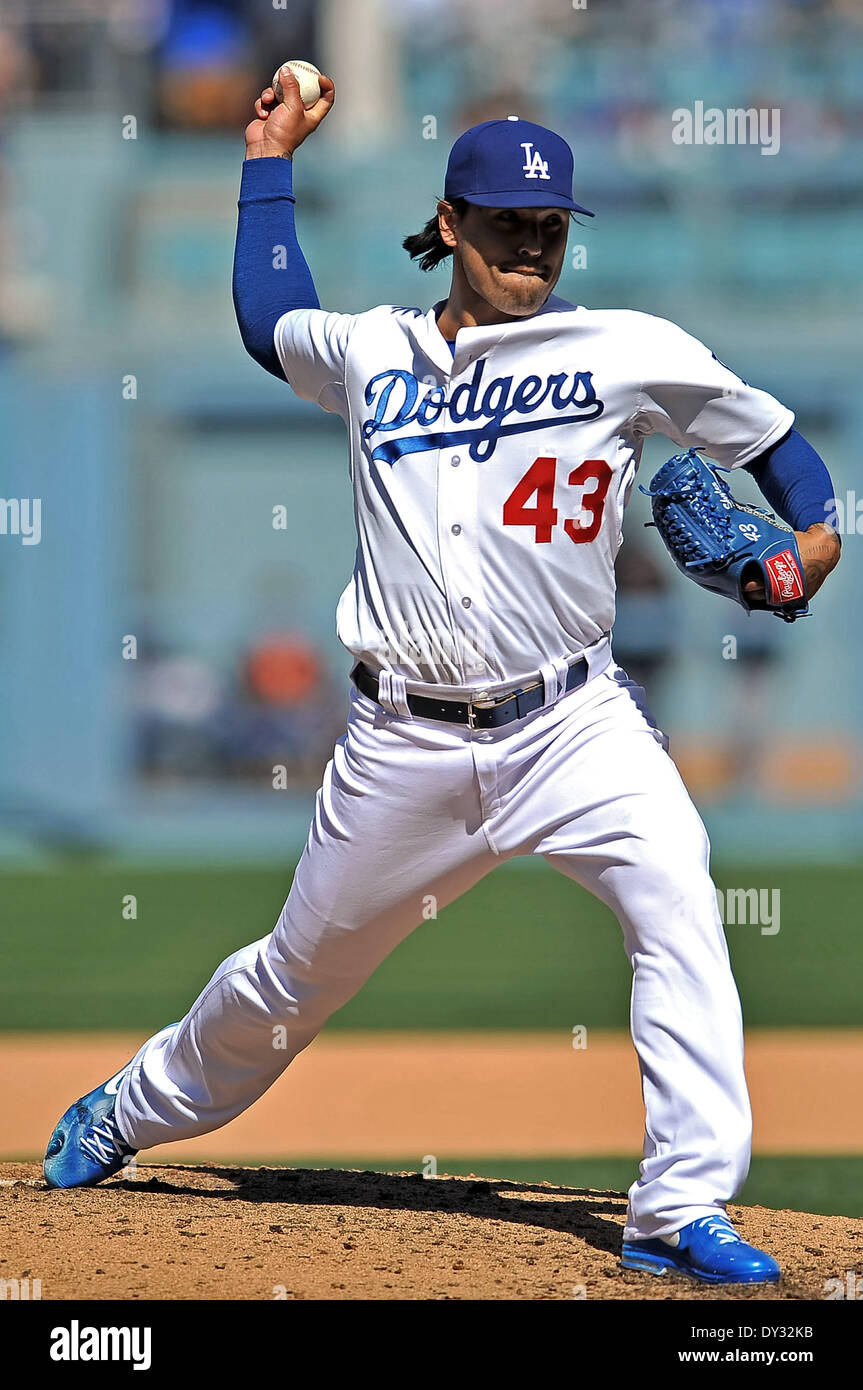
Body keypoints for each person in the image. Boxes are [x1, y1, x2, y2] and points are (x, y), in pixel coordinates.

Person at [44, 69, 841, 1286]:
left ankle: (676, 1210)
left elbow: (777, 448)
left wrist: (813, 540)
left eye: (551, 227)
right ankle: (132, 1107)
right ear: (451, 225)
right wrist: (267, 160)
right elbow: (269, 321)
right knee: (292, 980)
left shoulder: (625, 349)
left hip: (575, 722)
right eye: (509, 223)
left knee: (676, 892)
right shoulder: (374, 352)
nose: (533, 245)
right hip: (402, 743)